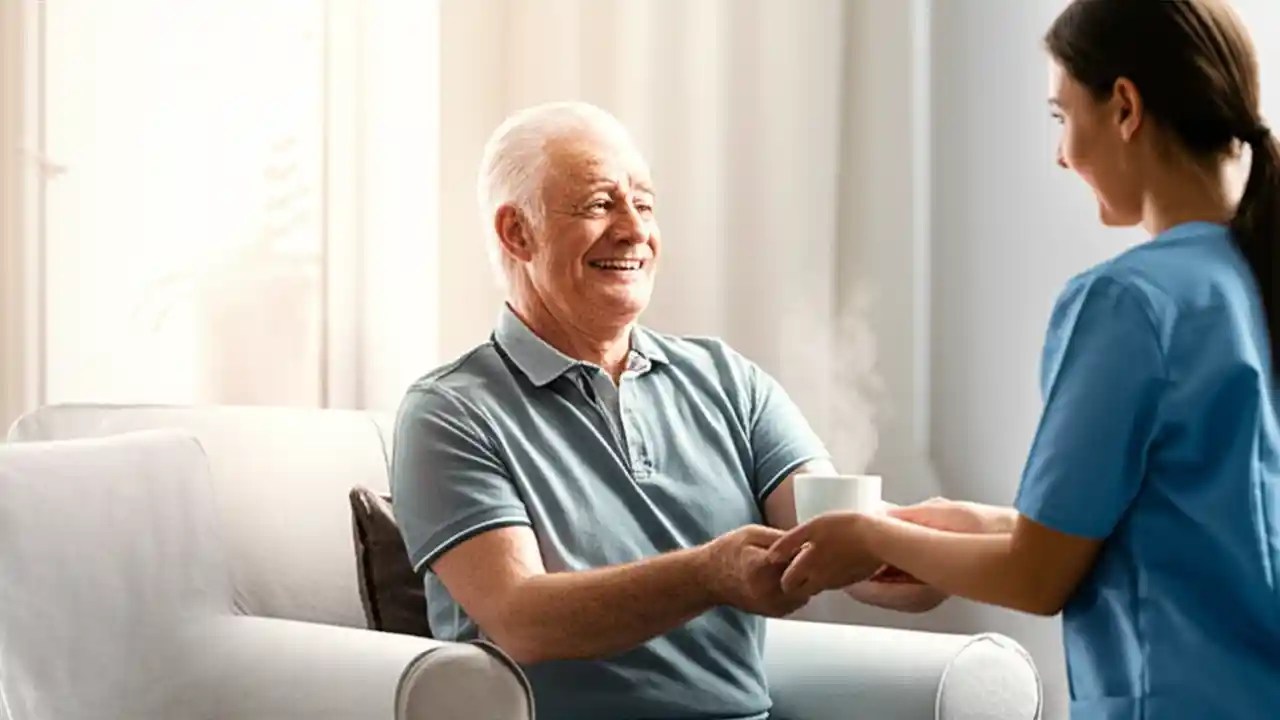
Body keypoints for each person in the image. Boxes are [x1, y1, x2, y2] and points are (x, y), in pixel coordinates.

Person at [770, 1, 1280, 718]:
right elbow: (1174, 527)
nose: (1062, 153)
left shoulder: (1129, 302)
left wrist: (870, 534)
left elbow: (1038, 577)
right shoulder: (1245, 282)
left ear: (1125, 107)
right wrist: (961, 525)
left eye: (1060, 116)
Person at [390, 101, 944, 720]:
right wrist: (707, 574)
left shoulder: (727, 380)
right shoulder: (450, 412)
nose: (634, 230)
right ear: (517, 232)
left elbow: (836, 544)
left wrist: (927, 550)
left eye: (645, 204)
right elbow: (523, 619)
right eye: (600, 203)